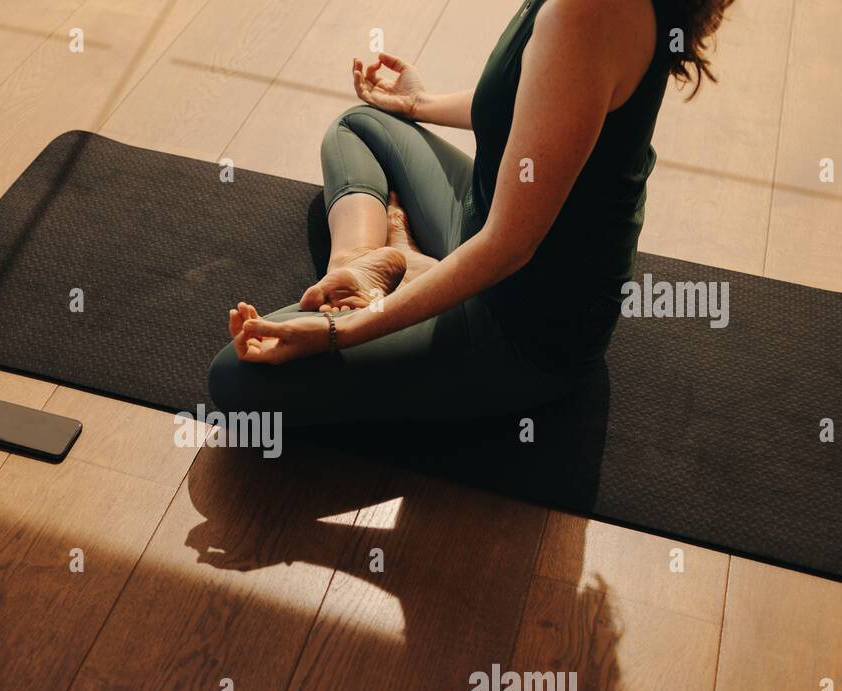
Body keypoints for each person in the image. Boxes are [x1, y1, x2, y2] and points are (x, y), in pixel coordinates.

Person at [207, 0, 735, 426]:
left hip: (520, 322)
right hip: (487, 220)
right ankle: (362, 264)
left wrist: (339, 333)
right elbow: (536, 105)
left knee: (237, 377)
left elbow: (509, 247)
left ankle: (394, 276)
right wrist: (418, 104)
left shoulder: (590, 14)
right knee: (359, 127)